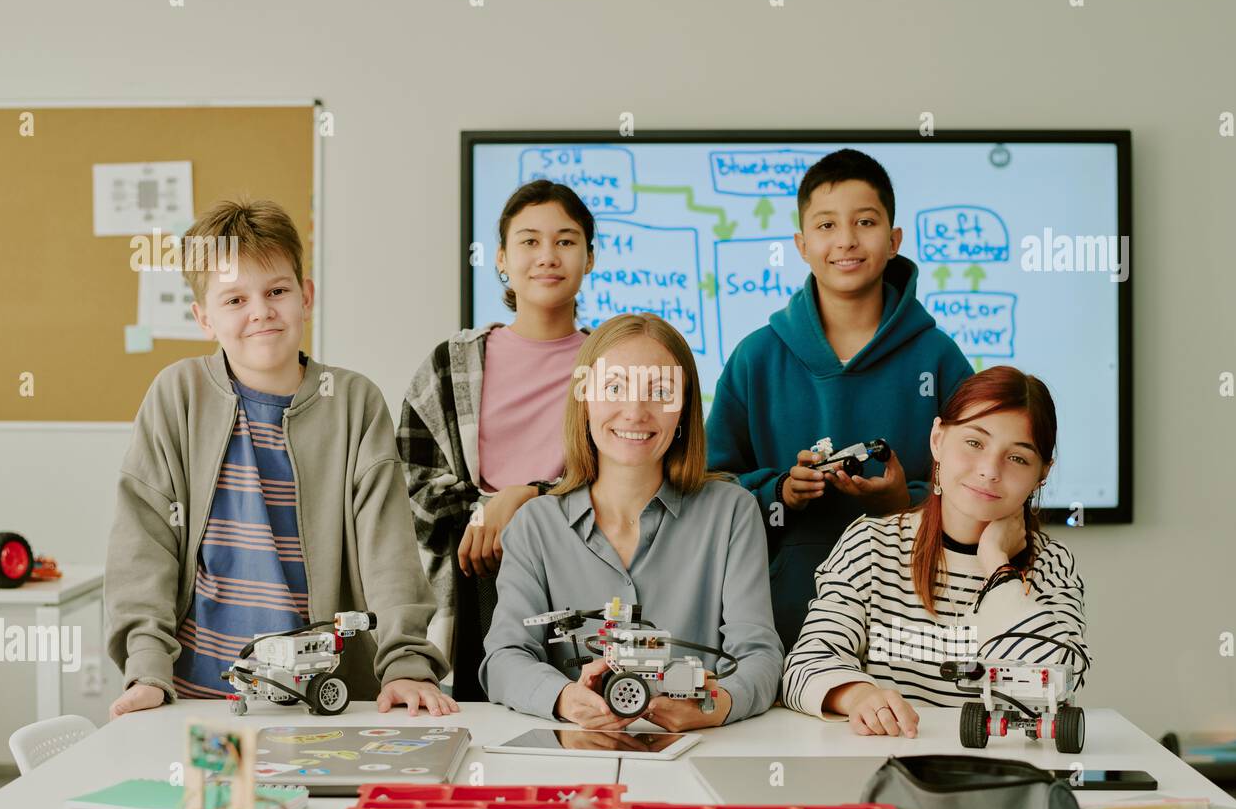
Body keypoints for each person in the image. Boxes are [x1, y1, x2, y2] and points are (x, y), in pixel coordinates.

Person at [106, 198, 452, 718]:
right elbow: (143, 540)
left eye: (276, 291)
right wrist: (147, 667)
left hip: (325, 694)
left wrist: (404, 662)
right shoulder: (177, 394)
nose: (260, 311)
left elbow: (388, 547)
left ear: (305, 297)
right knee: (212, 803)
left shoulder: (354, 401)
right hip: (198, 693)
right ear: (204, 318)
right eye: (234, 299)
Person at [706, 149, 975, 651]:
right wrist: (780, 492)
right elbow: (707, 486)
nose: (847, 240)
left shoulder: (940, 358)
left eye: (866, 222)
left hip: (917, 617)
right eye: (827, 225)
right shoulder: (756, 358)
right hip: (782, 618)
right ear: (802, 245)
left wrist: (905, 501)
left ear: (894, 240)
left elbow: (978, 483)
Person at [480, 314, 783, 730]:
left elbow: (759, 655)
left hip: (706, 751)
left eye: (660, 391)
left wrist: (718, 704)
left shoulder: (732, 512)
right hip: (571, 754)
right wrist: (564, 697)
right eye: (615, 387)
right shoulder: (535, 524)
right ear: (585, 401)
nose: (635, 411)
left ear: (684, 410)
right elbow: (504, 658)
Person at [782, 366, 1090, 738]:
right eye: (975, 443)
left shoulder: (1052, 565)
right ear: (938, 438)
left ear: (1042, 473)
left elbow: (1057, 681)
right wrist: (860, 695)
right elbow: (804, 665)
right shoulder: (870, 545)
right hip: (886, 774)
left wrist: (998, 567)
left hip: (1002, 778)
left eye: (1018, 458)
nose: (990, 470)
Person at [398, 180, 593, 700]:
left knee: (585, 715)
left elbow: (631, 481)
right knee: (482, 721)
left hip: (583, 576)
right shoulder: (450, 363)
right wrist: (488, 514)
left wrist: (526, 498)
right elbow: (412, 485)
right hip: (474, 576)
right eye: (529, 242)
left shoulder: (612, 361)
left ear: (589, 258)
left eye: (566, 241)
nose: (547, 256)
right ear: (502, 259)